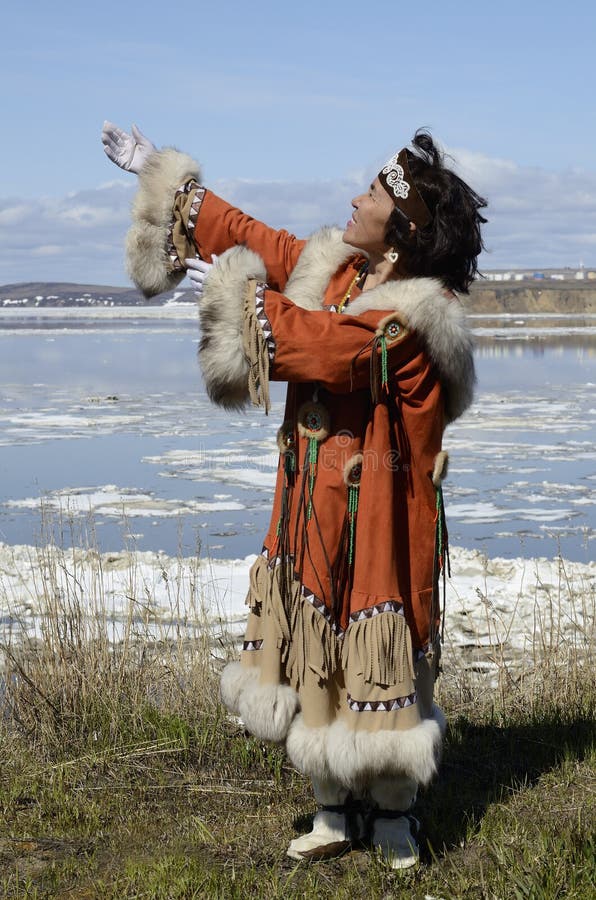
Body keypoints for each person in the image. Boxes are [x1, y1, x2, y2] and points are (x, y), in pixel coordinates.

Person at [102, 121, 486, 868]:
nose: (355, 199)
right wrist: (163, 177)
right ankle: (332, 809)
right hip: (316, 508)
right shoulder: (340, 269)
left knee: (380, 645)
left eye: (372, 194)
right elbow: (262, 242)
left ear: (401, 230)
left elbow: (332, 347)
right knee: (314, 640)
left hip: (380, 520)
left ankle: (395, 814)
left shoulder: (417, 314)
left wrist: (238, 299)